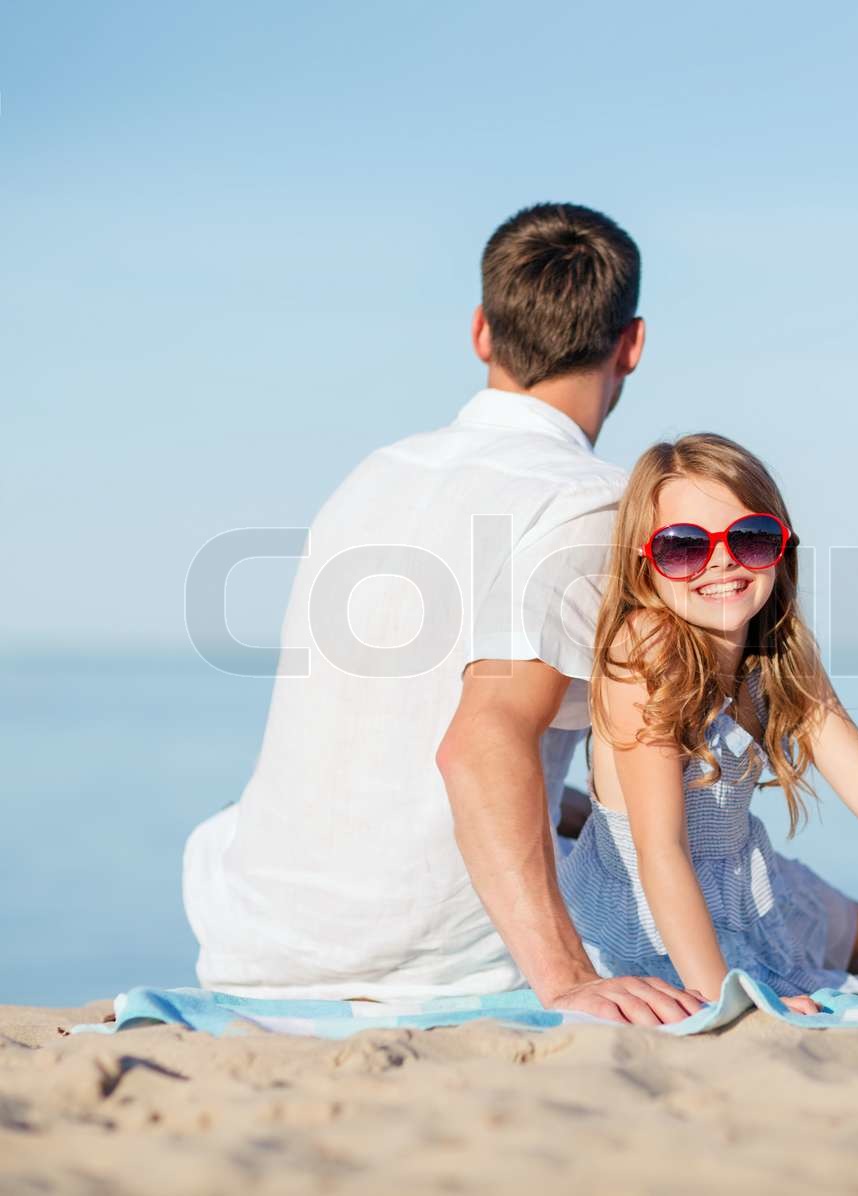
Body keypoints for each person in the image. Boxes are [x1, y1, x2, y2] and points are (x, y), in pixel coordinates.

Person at [182, 203, 701, 1024]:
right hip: (427, 960)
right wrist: (568, 980)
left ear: (481, 332)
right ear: (631, 345)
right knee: (752, 874)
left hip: (254, 935)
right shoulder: (594, 504)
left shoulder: (374, 475)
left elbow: (396, 734)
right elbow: (477, 743)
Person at [557, 434, 858, 1011]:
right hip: (655, 908)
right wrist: (728, 1003)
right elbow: (662, 852)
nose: (722, 561)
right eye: (684, 547)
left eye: (751, 539)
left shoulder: (777, 658)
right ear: (644, 564)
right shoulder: (647, 649)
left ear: (782, 548)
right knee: (840, 954)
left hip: (743, 879)